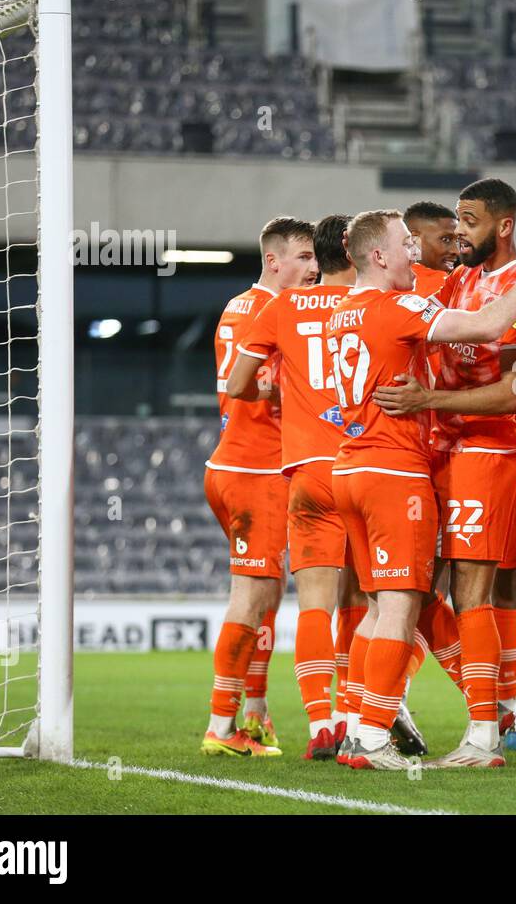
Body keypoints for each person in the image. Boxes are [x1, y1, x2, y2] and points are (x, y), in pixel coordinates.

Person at [327, 209, 516, 770]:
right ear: (378, 257)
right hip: (396, 470)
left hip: (351, 467)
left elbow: (507, 383)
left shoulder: (343, 310)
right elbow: (486, 326)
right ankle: (376, 735)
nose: (416, 251)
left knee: (387, 604)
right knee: (406, 606)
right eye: (403, 243)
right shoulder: (399, 307)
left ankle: (365, 723)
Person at [201, 216, 317, 757]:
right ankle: (221, 728)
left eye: (314, 257)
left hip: (229, 465)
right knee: (250, 595)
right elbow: (263, 387)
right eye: (302, 257)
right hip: (257, 471)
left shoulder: (235, 306)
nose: (313, 267)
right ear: (274, 261)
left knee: (267, 591)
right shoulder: (276, 310)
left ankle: (254, 712)